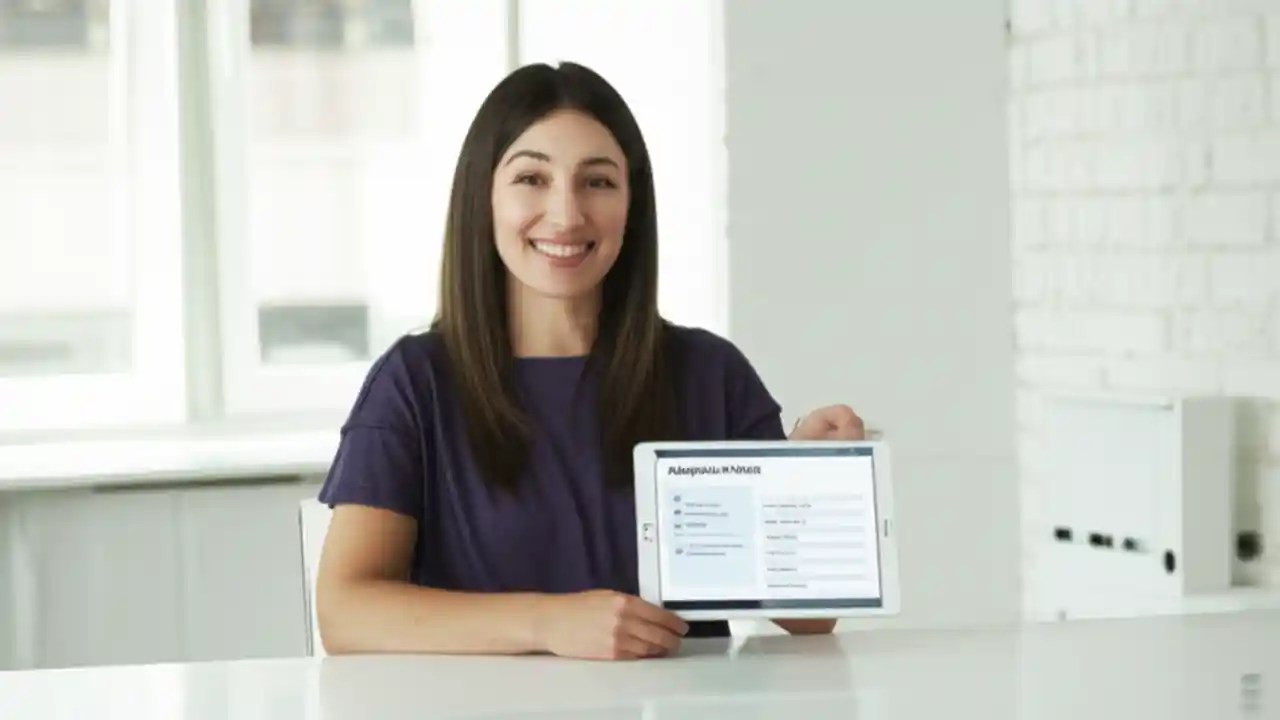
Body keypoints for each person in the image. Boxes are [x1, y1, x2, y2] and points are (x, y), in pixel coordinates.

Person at [315, 61, 865, 661]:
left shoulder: (709, 372)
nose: (567, 214)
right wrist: (547, 624)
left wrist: (805, 482)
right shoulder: (415, 382)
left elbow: (811, 619)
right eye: (532, 178)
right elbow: (346, 613)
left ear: (632, 207)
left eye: (598, 182)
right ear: (484, 199)